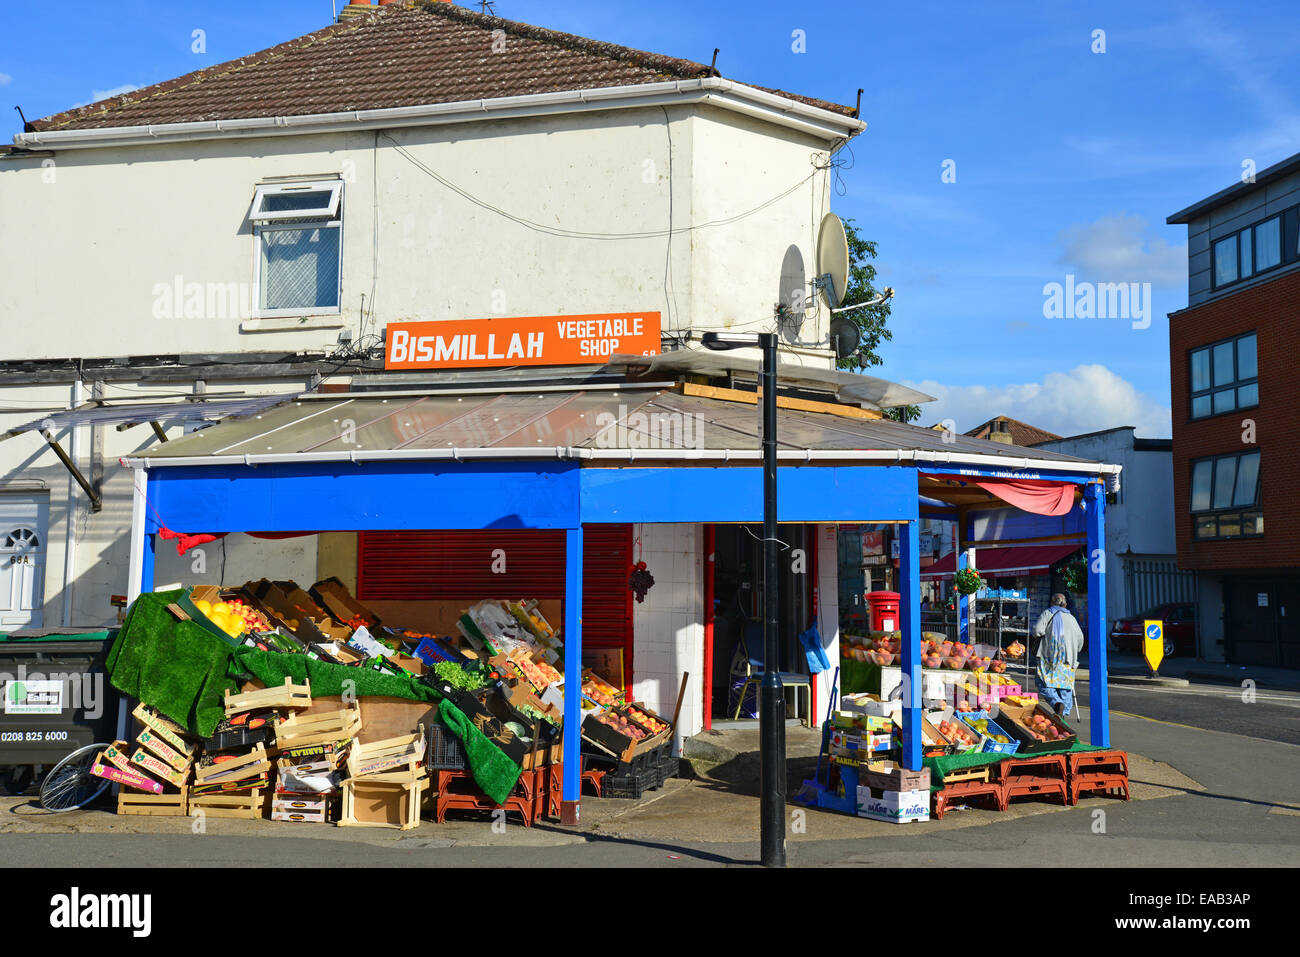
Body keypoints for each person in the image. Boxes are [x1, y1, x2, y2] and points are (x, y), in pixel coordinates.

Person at [1032, 593, 1085, 718]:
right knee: (1066, 686)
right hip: (1068, 659)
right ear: (1065, 604)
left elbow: (1037, 630)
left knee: (1043, 683)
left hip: (1049, 658)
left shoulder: (1047, 613)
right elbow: (1080, 639)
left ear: (1051, 603)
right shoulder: (1072, 618)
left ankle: (1056, 703)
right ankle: (1064, 713)